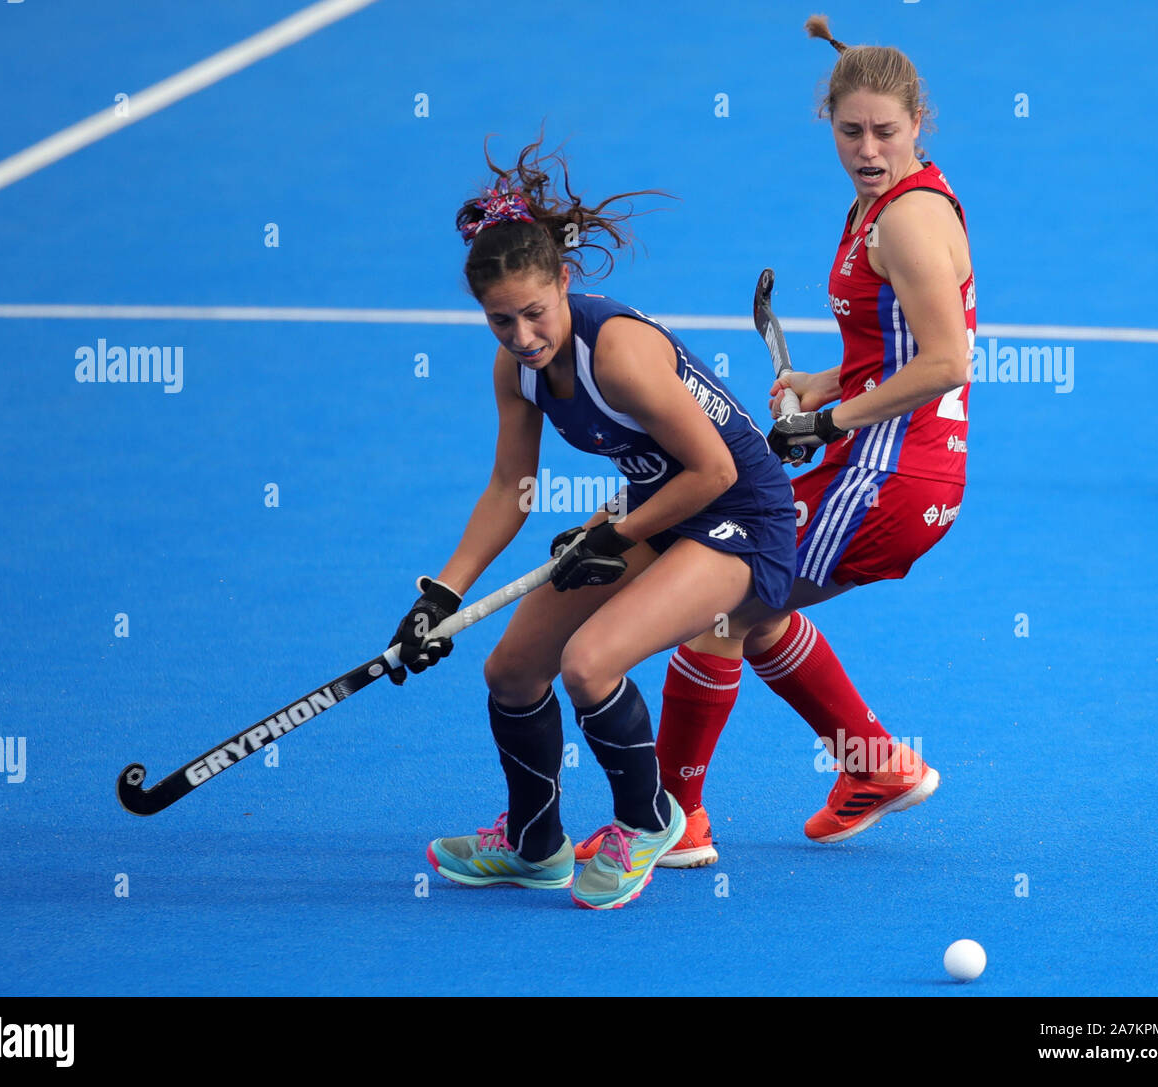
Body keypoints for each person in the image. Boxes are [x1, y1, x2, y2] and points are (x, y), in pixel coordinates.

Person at [587, 13, 976, 867]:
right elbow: (896, 349)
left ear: (920, 123)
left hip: (884, 477)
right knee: (755, 608)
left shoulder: (905, 221)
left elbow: (948, 359)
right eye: (850, 131)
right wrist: (825, 383)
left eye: (886, 131)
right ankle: (873, 765)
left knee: (719, 603)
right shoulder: (887, 202)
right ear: (829, 122)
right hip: (888, 465)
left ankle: (673, 820)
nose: (868, 148)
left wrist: (828, 421)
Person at [388, 139, 801, 909]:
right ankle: (534, 842)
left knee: (588, 663)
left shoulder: (618, 355)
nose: (522, 336)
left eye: (534, 313)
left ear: (565, 283)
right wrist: (441, 595)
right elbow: (511, 489)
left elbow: (716, 473)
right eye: (499, 320)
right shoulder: (514, 370)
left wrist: (613, 536)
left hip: (741, 517)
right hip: (653, 506)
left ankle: (646, 823)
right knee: (510, 671)